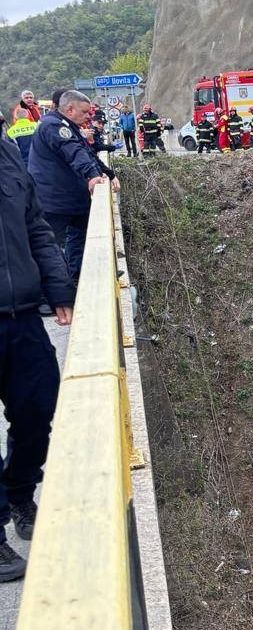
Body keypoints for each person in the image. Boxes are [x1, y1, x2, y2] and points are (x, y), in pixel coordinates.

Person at [0, 132, 76, 582]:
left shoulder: (7, 149)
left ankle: (19, 490)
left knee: (40, 409)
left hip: (22, 314)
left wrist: (57, 286)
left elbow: (35, 225)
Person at [28, 90, 117, 282]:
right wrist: (92, 175)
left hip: (72, 199)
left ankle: (76, 279)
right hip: (54, 201)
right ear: (70, 109)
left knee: (83, 240)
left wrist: (108, 173)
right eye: (85, 112)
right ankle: (46, 295)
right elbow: (74, 151)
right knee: (49, 248)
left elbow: (87, 153)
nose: (88, 116)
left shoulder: (70, 125)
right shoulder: (54, 126)